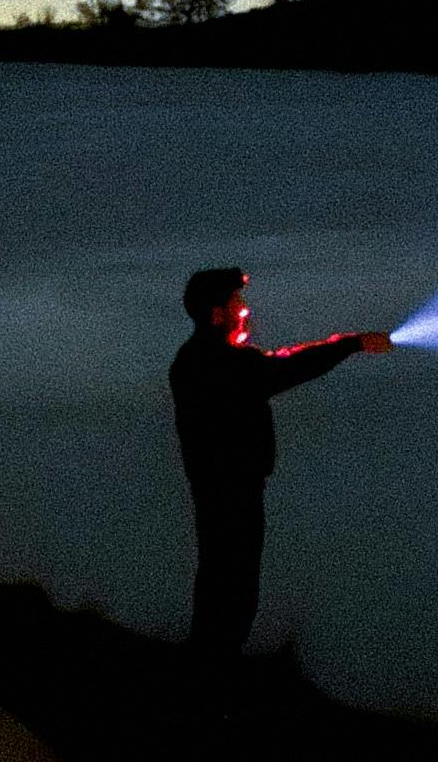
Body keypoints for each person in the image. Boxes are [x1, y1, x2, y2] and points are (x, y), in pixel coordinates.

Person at [167, 267, 390, 663]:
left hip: (219, 488)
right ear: (217, 314)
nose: (245, 311)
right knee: (234, 584)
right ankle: (213, 677)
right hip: (233, 490)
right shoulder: (221, 364)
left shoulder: (193, 360)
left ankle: (207, 668)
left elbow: (276, 366)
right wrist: (352, 344)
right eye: (237, 303)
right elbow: (289, 367)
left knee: (219, 577)